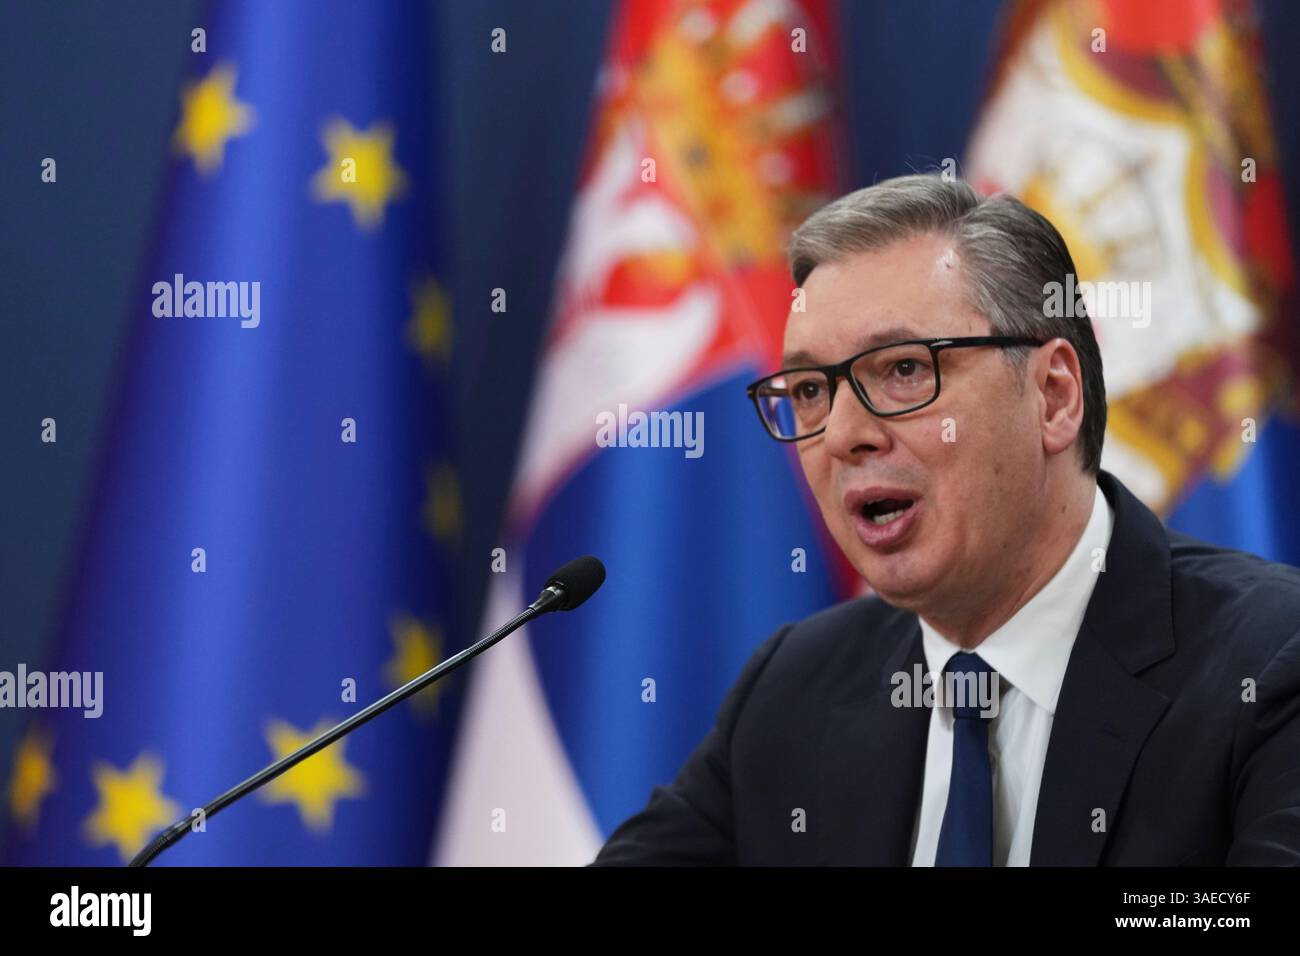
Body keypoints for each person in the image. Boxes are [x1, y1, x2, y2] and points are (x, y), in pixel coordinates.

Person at [591, 174, 1300, 866]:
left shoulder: (1269, 665)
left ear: (1053, 396)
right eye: (809, 390)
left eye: (902, 370)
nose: (841, 435)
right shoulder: (792, 691)